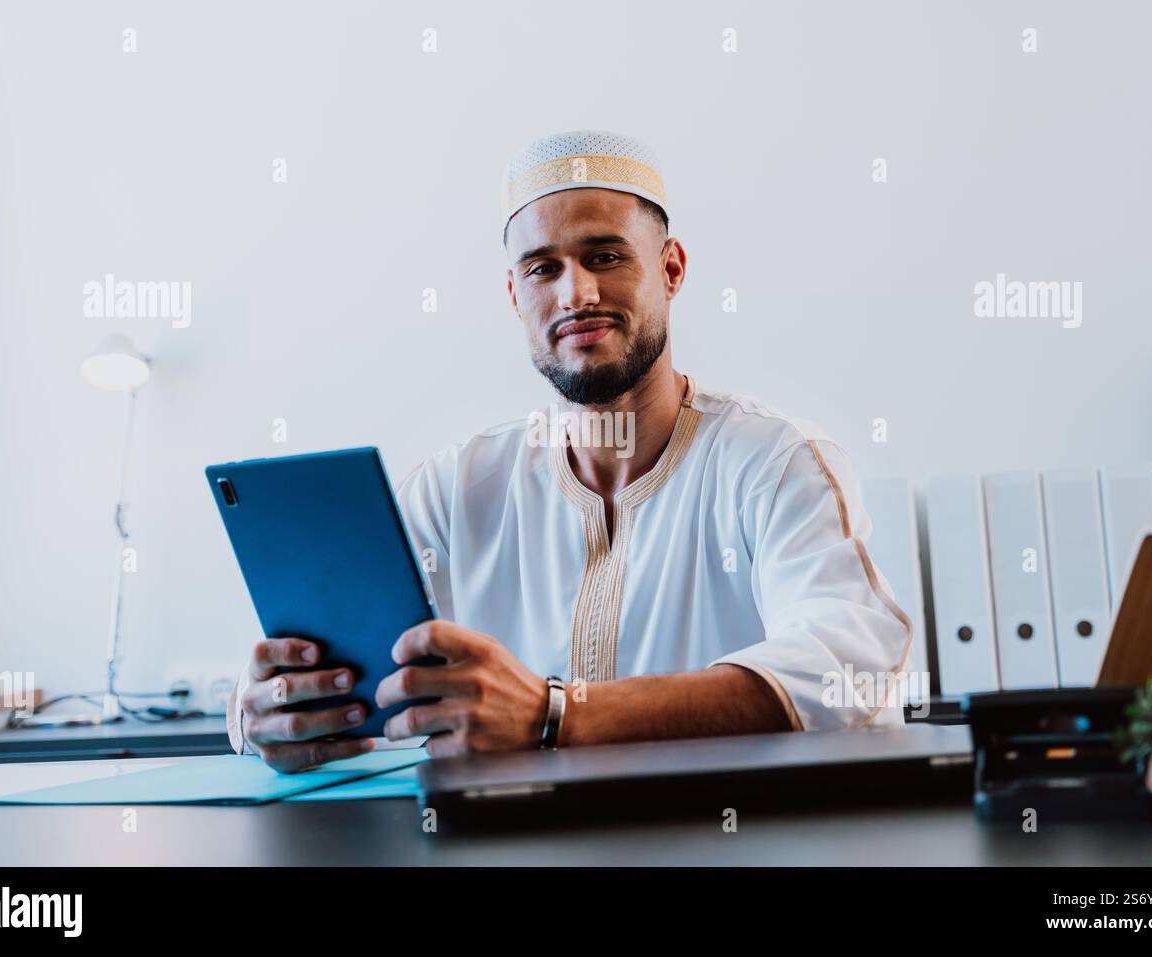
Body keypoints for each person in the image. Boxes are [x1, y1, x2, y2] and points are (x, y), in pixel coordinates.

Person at [228, 130, 912, 772]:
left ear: (671, 268)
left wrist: (555, 714)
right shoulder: (452, 488)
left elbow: (843, 673)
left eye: (605, 257)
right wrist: (264, 711)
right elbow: (347, 668)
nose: (576, 294)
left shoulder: (775, 462)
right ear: (513, 294)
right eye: (542, 268)